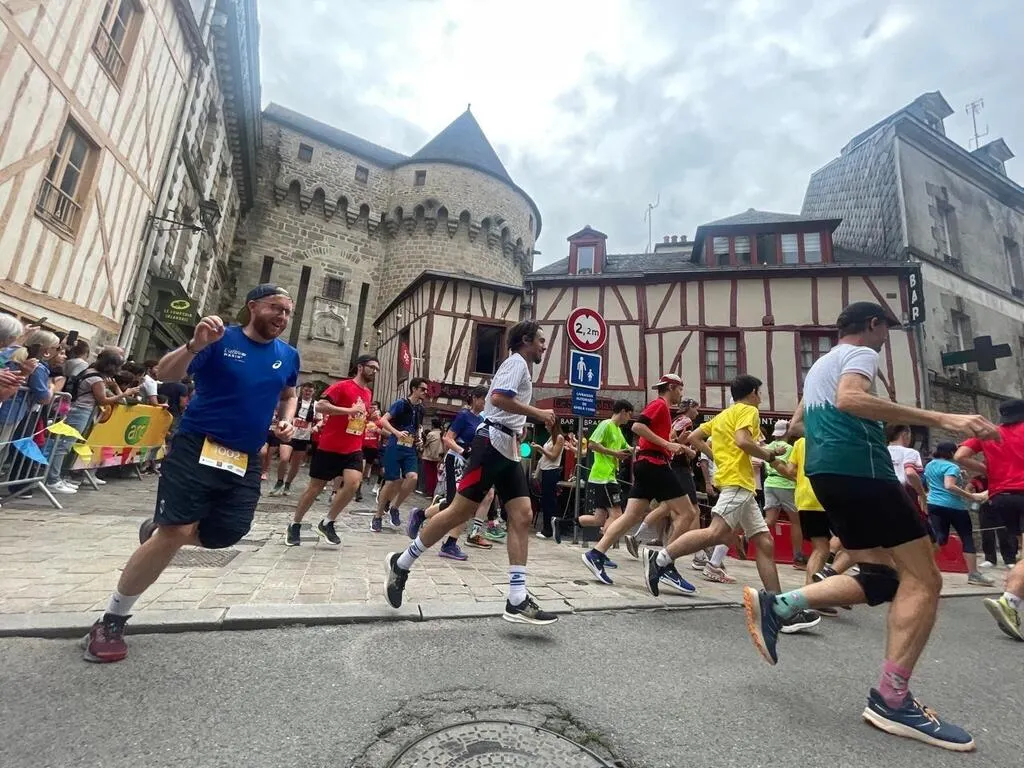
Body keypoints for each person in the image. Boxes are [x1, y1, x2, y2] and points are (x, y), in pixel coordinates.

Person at [742, 300, 998, 751]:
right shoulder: (860, 353)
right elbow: (851, 399)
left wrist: (820, 436)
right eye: (885, 331)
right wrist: (944, 417)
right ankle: (892, 699)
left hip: (826, 474)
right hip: (864, 472)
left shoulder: (819, 366)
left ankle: (779, 606)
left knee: (880, 576)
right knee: (925, 579)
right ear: (874, 324)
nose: (884, 340)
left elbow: (797, 425)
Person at [84, 284, 300, 663]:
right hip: (197, 445)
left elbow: (288, 394)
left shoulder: (288, 355)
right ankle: (111, 620)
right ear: (252, 306)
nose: (281, 317)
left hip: (244, 457)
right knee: (178, 532)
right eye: (275, 308)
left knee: (227, 533)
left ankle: (160, 530)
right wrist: (194, 346)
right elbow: (165, 373)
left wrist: (286, 420)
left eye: (287, 312)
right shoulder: (219, 338)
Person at [384, 320, 559, 625]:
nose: (544, 346)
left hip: (507, 448)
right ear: (526, 340)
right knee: (458, 513)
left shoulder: (521, 367)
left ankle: (517, 598)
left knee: (522, 516)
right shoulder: (516, 363)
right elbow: (498, 398)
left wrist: (521, 426)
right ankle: (402, 562)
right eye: (541, 341)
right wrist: (538, 413)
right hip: (490, 444)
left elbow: (502, 406)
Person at [641, 376, 813, 628]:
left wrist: (718, 458)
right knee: (716, 532)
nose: (761, 397)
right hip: (738, 483)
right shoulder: (749, 411)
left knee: (764, 542)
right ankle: (660, 559)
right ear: (753, 392)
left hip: (738, 484)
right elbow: (743, 441)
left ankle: (778, 608)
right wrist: (768, 455)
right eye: (760, 393)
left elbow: (694, 437)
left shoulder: (723, 415)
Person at [581, 374, 695, 592]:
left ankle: (596, 554)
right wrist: (667, 445)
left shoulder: (663, 409)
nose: (681, 394)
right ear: (672, 387)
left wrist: (675, 444)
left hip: (646, 464)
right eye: (680, 389)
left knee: (630, 516)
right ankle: (665, 563)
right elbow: (638, 427)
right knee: (688, 513)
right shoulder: (659, 405)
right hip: (654, 464)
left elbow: (649, 437)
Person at [285, 356, 378, 546]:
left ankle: (328, 522)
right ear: (360, 367)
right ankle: (295, 524)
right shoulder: (342, 386)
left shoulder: (368, 393)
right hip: (330, 446)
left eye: (377, 369)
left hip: (353, 447)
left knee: (353, 483)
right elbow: (320, 406)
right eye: (371, 367)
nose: (374, 371)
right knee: (315, 488)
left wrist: (369, 419)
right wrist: (348, 411)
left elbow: (358, 416)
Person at [955, 398, 1024, 639]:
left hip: (1000, 497)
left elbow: (960, 455)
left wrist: (989, 470)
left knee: (1022, 552)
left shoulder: (990, 433)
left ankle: (1012, 596)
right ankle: (1009, 601)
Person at [407, 386, 495, 559]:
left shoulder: (482, 420)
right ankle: (445, 539)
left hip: (471, 465)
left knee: (461, 504)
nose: (486, 403)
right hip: (455, 461)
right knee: (457, 504)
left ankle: (426, 519)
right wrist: (463, 451)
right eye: (484, 399)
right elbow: (447, 438)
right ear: (475, 398)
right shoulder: (464, 415)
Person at [44, 349, 128, 494]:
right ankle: (53, 479)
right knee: (64, 445)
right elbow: (103, 400)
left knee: (66, 445)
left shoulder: (89, 372)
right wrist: (125, 394)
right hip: (81, 411)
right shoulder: (96, 379)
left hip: (77, 409)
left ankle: (58, 476)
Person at [922, 442, 992, 585]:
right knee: (967, 538)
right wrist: (971, 496)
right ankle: (973, 574)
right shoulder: (951, 467)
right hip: (955, 506)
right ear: (952, 453)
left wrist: (959, 473)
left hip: (934, 504)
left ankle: (925, 569)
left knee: (939, 538)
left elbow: (935, 479)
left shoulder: (929, 465)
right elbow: (949, 485)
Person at [373, 378, 428, 532]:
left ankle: (395, 507)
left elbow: (417, 427)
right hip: (395, 446)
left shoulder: (421, 409)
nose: (425, 392)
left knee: (413, 478)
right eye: (423, 389)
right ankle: (377, 516)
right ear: (414, 389)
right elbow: (383, 420)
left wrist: (419, 439)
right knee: (391, 481)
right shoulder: (401, 403)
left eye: (426, 390)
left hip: (410, 448)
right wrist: (396, 432)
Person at [762, 419, 803, 568]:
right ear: (787, 431)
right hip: (786, 484)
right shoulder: (789, 448)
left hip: (769, 483)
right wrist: (796, 479)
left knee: (770, 520)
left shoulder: (768, 446)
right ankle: (798, 557)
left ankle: (748, 536)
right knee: (796, 522)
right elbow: (786, 469)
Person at [269, 382, 318, 497]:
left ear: (313, 392)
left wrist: (316, 426)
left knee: (295, 464)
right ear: (302, 390)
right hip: (290, 434)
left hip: (303, 437)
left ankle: (288, 484)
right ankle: (279, 481)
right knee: (284, 459)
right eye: (306, 390)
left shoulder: (316, 405)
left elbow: (320, 419)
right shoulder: (294, 401)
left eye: (310, 391)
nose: (307, 393)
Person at [533, 420, 566, 540]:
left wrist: (540, 449)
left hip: (552, 471)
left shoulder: (559, 438)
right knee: (546, 500)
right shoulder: (550, 438)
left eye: (547, 424)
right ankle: (547, 528)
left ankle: (548, 530)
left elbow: (553, 456)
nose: (546, 427)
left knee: (549, 501)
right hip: (545, 470)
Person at [357, 402, 382, 502]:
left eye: (375, 408)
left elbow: (385, 433)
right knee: (362, 468)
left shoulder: (380, 421)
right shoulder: (365, 418)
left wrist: (378, 430)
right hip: (362, 446)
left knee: (366, 470)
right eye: (371, 408)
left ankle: (359, 485)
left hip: (373, 448)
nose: (373, 410)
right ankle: (358, 490)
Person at [420, 418, 445, 498]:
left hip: (430, 457)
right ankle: (436, 492)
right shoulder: (442, 433)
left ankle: (430, 492)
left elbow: (425, 444)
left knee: (429, 475)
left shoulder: (431, 434)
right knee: (436, 475)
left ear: (433, 425)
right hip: (439, 457)